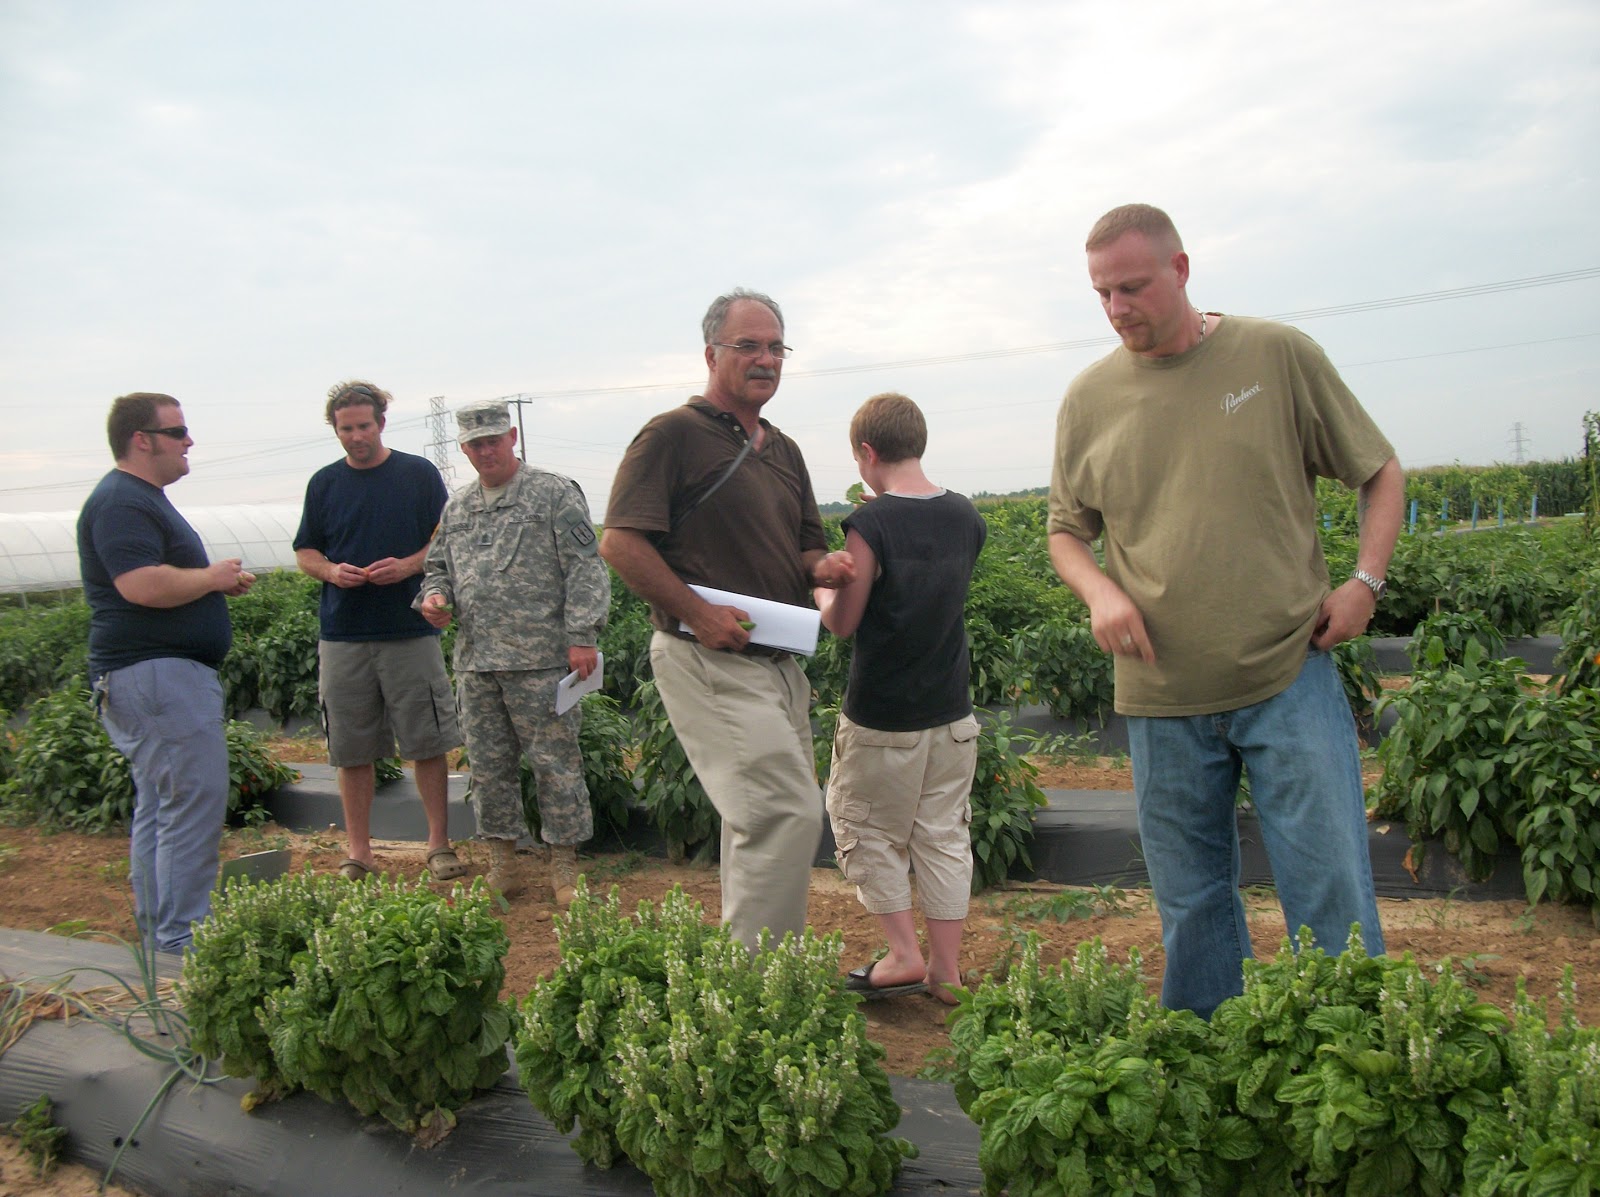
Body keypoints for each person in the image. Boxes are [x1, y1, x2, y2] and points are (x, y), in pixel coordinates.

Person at [1047, 204, 1404, 1018]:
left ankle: (1352, 1058)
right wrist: (1100, 591)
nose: (1117, 308)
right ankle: (1216, 1074)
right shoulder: (1091, 397)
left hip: (1288, 672)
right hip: (1160, 696)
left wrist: (1364, 583)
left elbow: (1379, 470)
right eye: (1101, 293)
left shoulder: (1275, 355)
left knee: (1330, 888)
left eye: (1132, 286)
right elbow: (1067, 531)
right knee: (1193, 905)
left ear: (1179, 269)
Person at [600, 288, 856, 950]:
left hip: (776, 661)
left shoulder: (783, 449)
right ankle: (761, 985)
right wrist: (698, 612)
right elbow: (622, 542)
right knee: (781, 812)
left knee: (769, 818)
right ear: (712, 352)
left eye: (776, 346)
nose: (765, 358)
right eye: (749, 345)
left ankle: (761, 968)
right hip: (708, 655)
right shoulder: (672, 436)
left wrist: (824, 566)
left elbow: (802, 548)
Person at [814, 393, 987, 1003]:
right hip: (953, 713)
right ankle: (946, 970)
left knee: (864, 828)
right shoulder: (967, 515)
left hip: (883, 717)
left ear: (867, 453)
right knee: (942, 834)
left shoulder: (870, 525)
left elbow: (842, 621)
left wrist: (819, 589)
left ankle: (903, 954)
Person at [77, 393, 256, 953]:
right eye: (177, 431)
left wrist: (211, 582)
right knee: (192, 800)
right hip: (156, 678)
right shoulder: (122, 502)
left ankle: (163, 934)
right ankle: (182, 939)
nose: (188, 441)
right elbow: (141, 585)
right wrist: (208, 578)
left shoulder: (137, 499)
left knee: (164, 805)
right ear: (141, 440)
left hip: (155, 676)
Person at [418, 400, 609, 905]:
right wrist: (436, 599)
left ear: (512, 437)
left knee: (556, 763)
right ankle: (503, 863)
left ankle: (564, 866)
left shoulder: (552, 493)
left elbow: (586, 567)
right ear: (463, 448)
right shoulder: (457, 507)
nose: (485, 451)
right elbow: (437, 569)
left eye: (493, 440)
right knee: (487, 766)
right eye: (475, 444)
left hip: (543, 658)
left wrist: (583, 636)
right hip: (477, 662)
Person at [293, 380, 464, 884]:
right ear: (336, 430)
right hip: (343, 633)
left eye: (364, 426)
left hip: (409, 628)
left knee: (427, 740)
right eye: (346, 429)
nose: (355, 436)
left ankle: (438, 844)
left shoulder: (417, 474)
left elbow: (445, 538)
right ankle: (360, 851)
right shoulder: (324, 484)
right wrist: (331, 572)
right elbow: (306, 552)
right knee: (352, 747)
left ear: (381, 423)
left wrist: (409, 566)